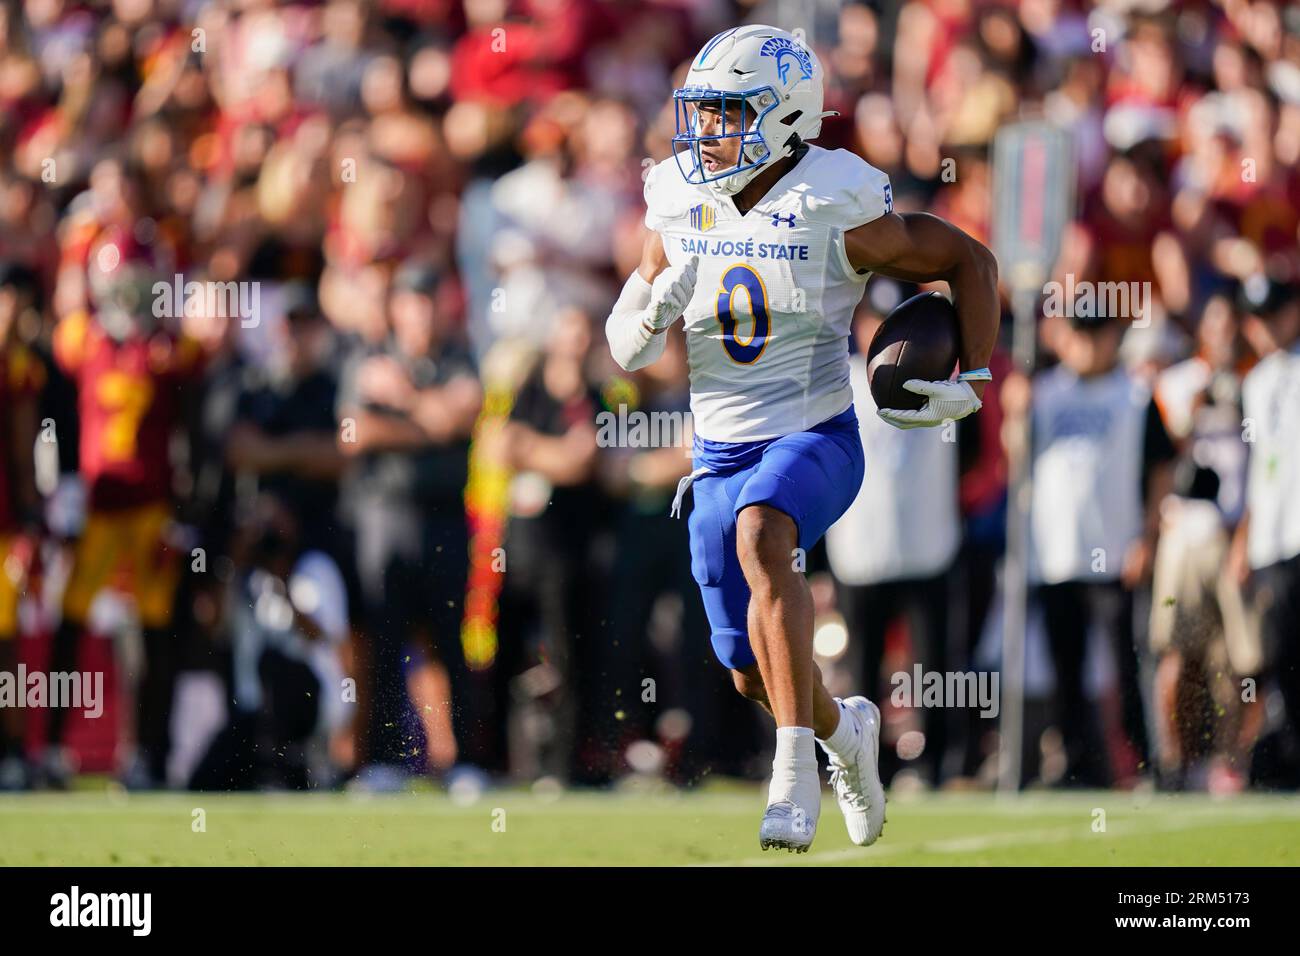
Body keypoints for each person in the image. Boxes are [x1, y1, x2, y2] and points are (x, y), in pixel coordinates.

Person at [605, 26, 999, 852]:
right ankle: (843, 732)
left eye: (726, 114)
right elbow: (626, 345)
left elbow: (965, 258)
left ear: (785, 119)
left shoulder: (834, 198)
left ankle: (791, 779)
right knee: (748, 666)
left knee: (763, 529)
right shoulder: (681, 193)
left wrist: (976, 372)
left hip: (814, 435)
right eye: (701, 113)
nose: (705, 132)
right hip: (715, 455)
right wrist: (651, 307)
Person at [1024, 311, 1176, 787]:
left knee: (1127, 667)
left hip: (1114, 554)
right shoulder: (1043, 395)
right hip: (1056, 556)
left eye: (1098, 333)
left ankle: (1149, 761)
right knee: (1066, 675)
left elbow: (1160, 469)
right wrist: (1013, 412)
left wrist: (1147, 539)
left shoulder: (1135, 395)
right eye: (1080, 333)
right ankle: (1078, 766)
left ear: (1114, 336)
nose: (1089, 344)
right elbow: (1015, 460)